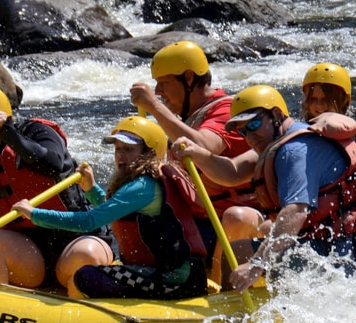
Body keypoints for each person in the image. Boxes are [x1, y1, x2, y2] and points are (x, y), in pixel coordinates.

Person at [174, 85, 356, 292]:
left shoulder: (294, 151)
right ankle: (237, 305)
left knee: (243, 253)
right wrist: (198, 154)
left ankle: (236, 317)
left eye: (254, 124)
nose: (249, 137)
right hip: (330, 243)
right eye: (243, 131)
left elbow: (295, 212)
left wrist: (256, 264)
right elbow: (233, 172)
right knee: (240, 249)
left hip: (348, 258)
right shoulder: (283, 139)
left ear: (276, 114)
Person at [13, 117, 210, 300]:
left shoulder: (144, 185)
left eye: (128, 149)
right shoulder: (145, 181)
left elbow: (89, 221)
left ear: (149, 153)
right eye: (117, 149)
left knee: (87, 276)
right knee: (98, 274)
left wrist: (34, 214)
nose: (121, 156)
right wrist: (91, 189)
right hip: (168, 272)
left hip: (175, 279)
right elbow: (115, 213)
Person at [0, 85, 110, 290]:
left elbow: (52, 163)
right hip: (31, 257)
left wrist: (7, 132)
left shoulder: (38, 131)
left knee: (85, 254)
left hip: (74, 240)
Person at [128, 40, 259, 245]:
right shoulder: (187, 117)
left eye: (164, 83)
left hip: (222, 223)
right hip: (195, 219)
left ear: (189, 78)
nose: (159, 91)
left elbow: (202, 147)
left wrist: (153, 106)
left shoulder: (227, 110)